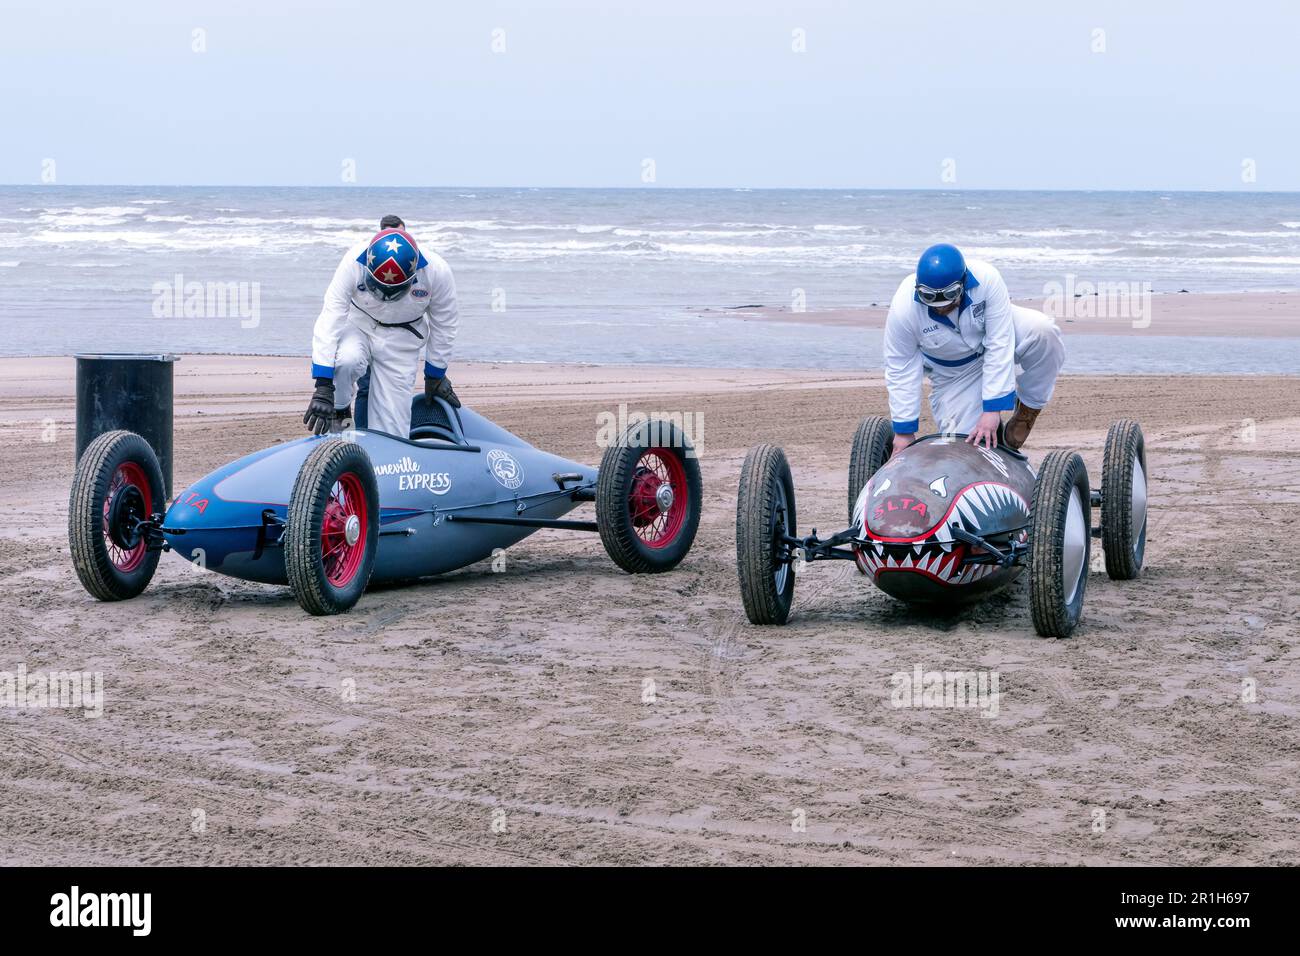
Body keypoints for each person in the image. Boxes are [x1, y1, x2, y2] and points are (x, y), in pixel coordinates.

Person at [883, 243, 1065, 452]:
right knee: (961, 449)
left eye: (949, 296)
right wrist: (903, 432)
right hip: (954, 374)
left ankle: (1027, 411)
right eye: (931, 299)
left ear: (964, 282)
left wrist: (992, 410)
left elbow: (1000, 341)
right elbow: (900, 366)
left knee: (1043, 331)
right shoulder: (904, 309)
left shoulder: (987, 278)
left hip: (996, 336)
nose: (941, 307)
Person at [303, 215, 460, 438]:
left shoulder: (438, 271)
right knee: (346, 361)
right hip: (359, 324)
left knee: (393, 427)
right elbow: (330, 318)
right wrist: (323, 385)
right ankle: (340, 412)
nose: (384, 297)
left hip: (403, 337)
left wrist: (435, 373)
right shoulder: (353, 261)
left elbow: (445, 323)